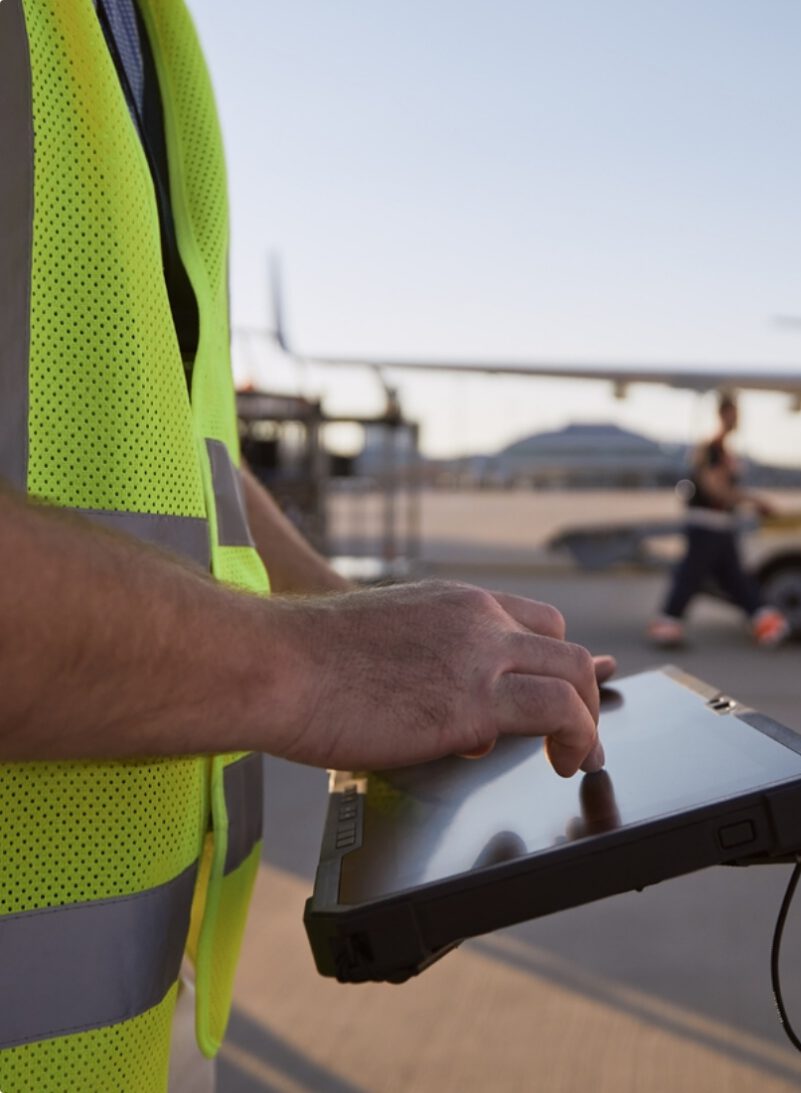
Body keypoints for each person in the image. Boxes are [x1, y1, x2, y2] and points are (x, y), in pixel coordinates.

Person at [0, 3, 608, 1090]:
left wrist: (358, 626)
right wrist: (313, 663)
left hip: (140, 1022)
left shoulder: (138, 35)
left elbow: (182, 448)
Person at [648, 393, 789, 647]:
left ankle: (766, 622)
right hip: (706, 524)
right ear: (723, 414)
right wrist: (753, 501)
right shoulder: (711, 449)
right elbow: (715, 489)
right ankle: (667, 625)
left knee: (735, 579)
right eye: (732, 414)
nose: (736, 420)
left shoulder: (723, 451)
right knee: (693, 575)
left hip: (721, 525)